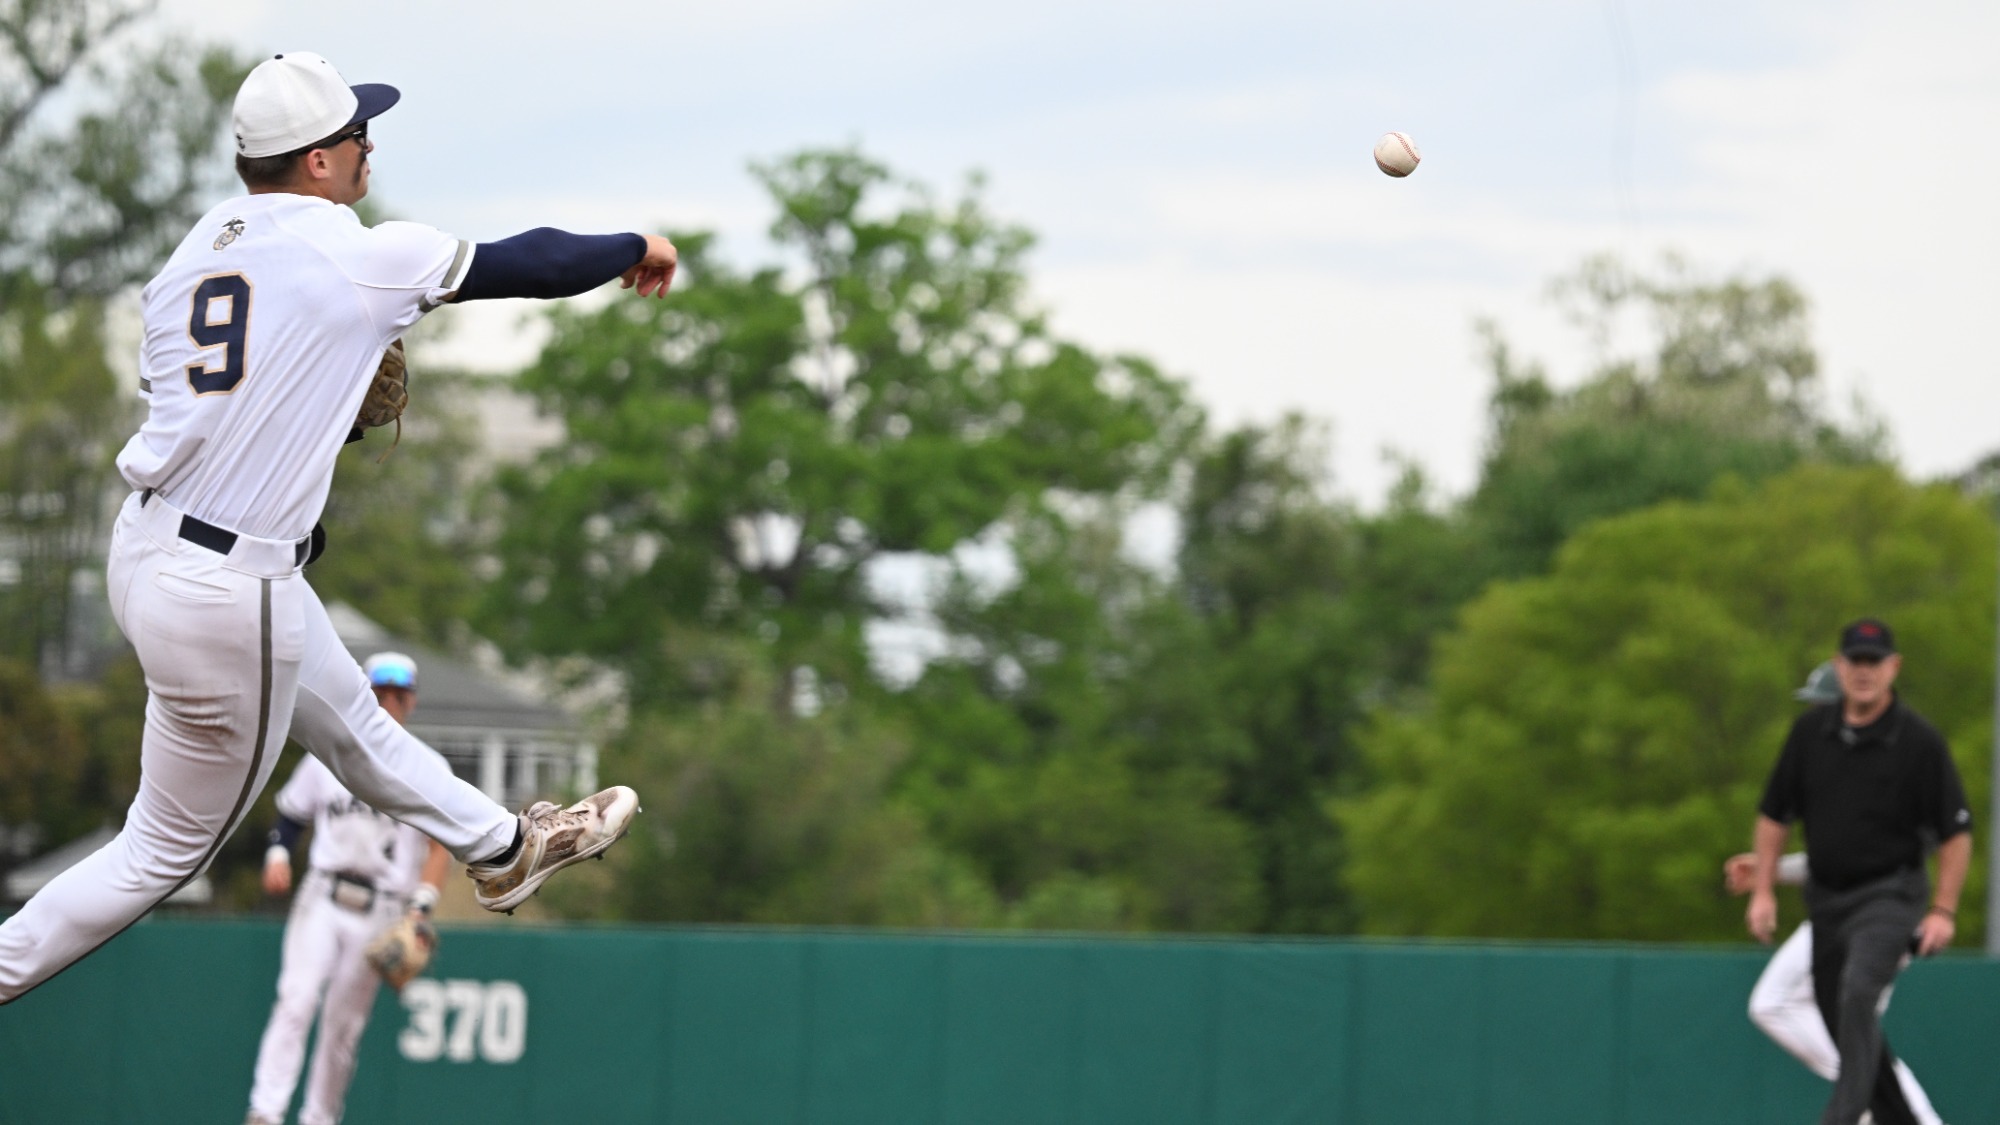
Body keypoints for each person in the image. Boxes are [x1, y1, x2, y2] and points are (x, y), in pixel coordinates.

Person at [0, 51, 676, 1004]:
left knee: (355, 723)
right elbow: (531, 262)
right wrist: (632, 243)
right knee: (159, 850)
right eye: (357, 135)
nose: (367, 150)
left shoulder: (189, 258)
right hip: (232, 597)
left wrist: (312, 392)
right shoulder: (357, 251)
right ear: (316, 160)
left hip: (148, 547)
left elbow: (206, 410)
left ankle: (507, 848)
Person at [1748, 620, 1972, 1125]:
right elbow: (1815, 837)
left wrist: (1943, 910)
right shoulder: (1811, 739)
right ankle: (1892, 1112)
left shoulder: (1916, 741)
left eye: (1874, 662)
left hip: (1890, 902)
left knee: (1852, 997)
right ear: (1841, 665)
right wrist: (1767, 881)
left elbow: (1952, 831)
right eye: (1855, 662)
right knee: (1838, 1016)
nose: (1863, 672)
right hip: (1831, 905)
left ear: (1892, 668)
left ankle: (1848, 1113)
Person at [245, 652, 447, 1125]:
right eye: (380, 692)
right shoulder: (330, 754)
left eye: (399, 694)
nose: (389, 702)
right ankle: (266, 1113)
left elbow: (440, 847)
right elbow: (292, 815)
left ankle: (319, 1118)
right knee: (296, 999)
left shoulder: (427, 766)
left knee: (343, 1028)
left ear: (412, 700)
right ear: (365, 692)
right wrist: (277, 854)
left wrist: (422, 906)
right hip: (324, 893)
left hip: (384, 906)